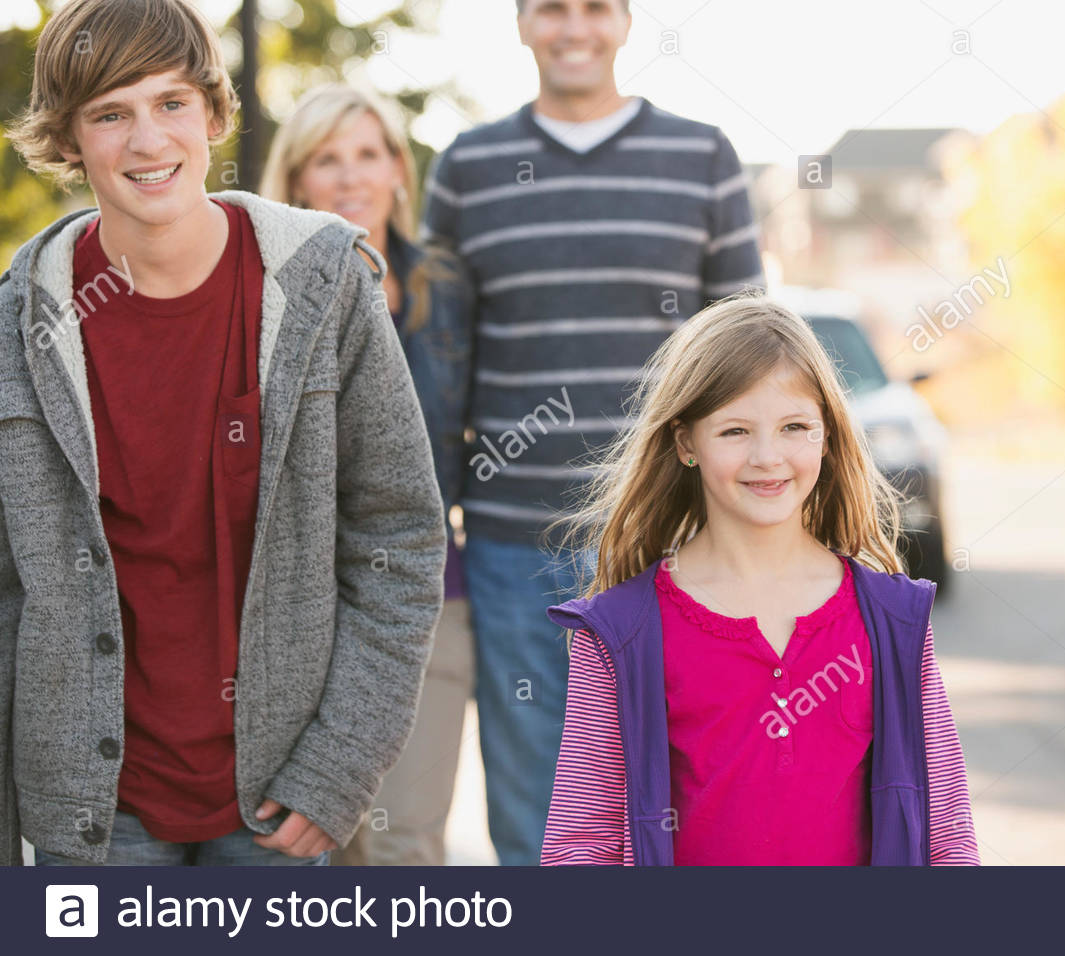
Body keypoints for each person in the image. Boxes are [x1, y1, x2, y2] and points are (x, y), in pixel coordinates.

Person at [0, 0, 444, 866]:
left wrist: (339, 770)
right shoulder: (22, 323)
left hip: (278, 804)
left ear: (211, 111)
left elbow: (398, 538)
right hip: (94, 813)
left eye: (171, 103)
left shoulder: (323, 286)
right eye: (111, 114)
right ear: (69, 138)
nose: (147, 141)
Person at [421, 0, 765, 865]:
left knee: (695, 785)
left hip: (677, 534)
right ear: (521, 24)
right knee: (536, 801)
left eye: (593, 9)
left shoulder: (703, 158)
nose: (572, 27)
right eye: (550, 9)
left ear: (624, 22)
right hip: (511, 543)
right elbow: (440, 360)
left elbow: (748, 354)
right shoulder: (467, 167)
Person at [540, 294, 979, 865]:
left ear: (827, 433)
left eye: (794, 426)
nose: (768, 456)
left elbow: (945, 828)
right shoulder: (621, 634)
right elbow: (580, 843)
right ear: (684, 443)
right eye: (735, 431)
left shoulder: (892, 622)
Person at [260, 83, 474, 866]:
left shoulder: (446, 292)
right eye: (327, 159)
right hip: (290, 608)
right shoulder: (261, 294)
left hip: (425, 599)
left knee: (405, 842)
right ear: (296, 183)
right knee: (299, 846)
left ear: (397, 173)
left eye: (368, 154)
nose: (350, 177)